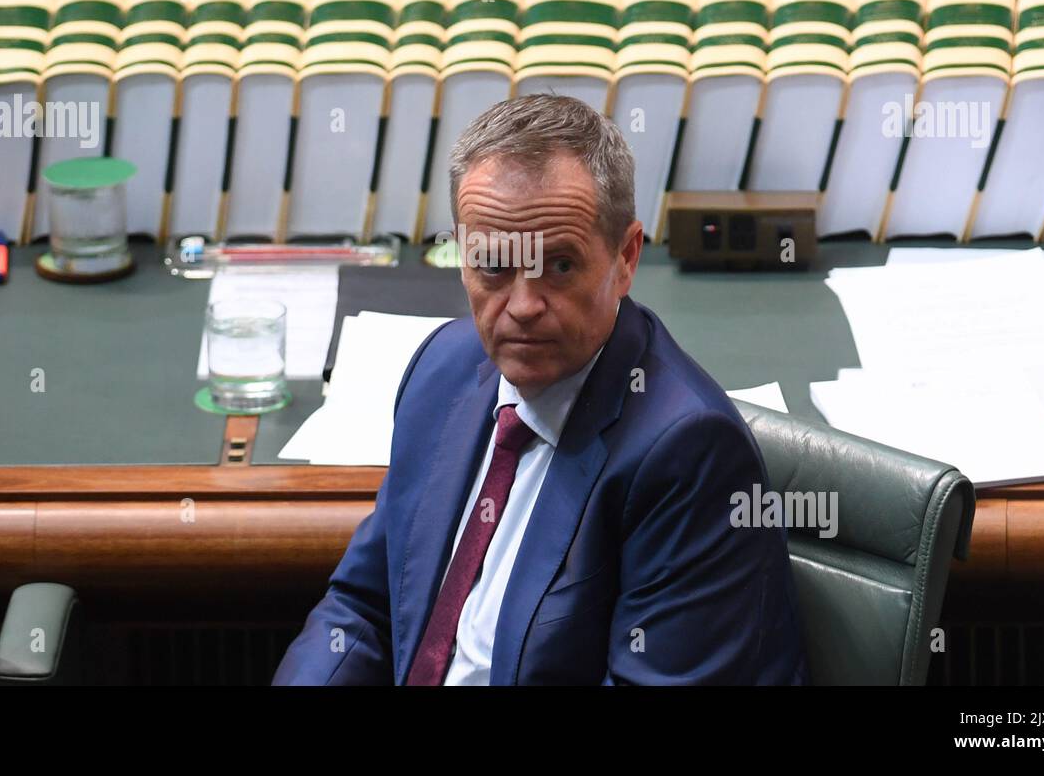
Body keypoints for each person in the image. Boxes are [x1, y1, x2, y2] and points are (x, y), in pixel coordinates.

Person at [273, 94, 808, 685]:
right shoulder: (440, 372)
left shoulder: (689, 454)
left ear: (626, 257)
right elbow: (364, 607)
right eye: (495, 266)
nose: (523, 307)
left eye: (558, 266)